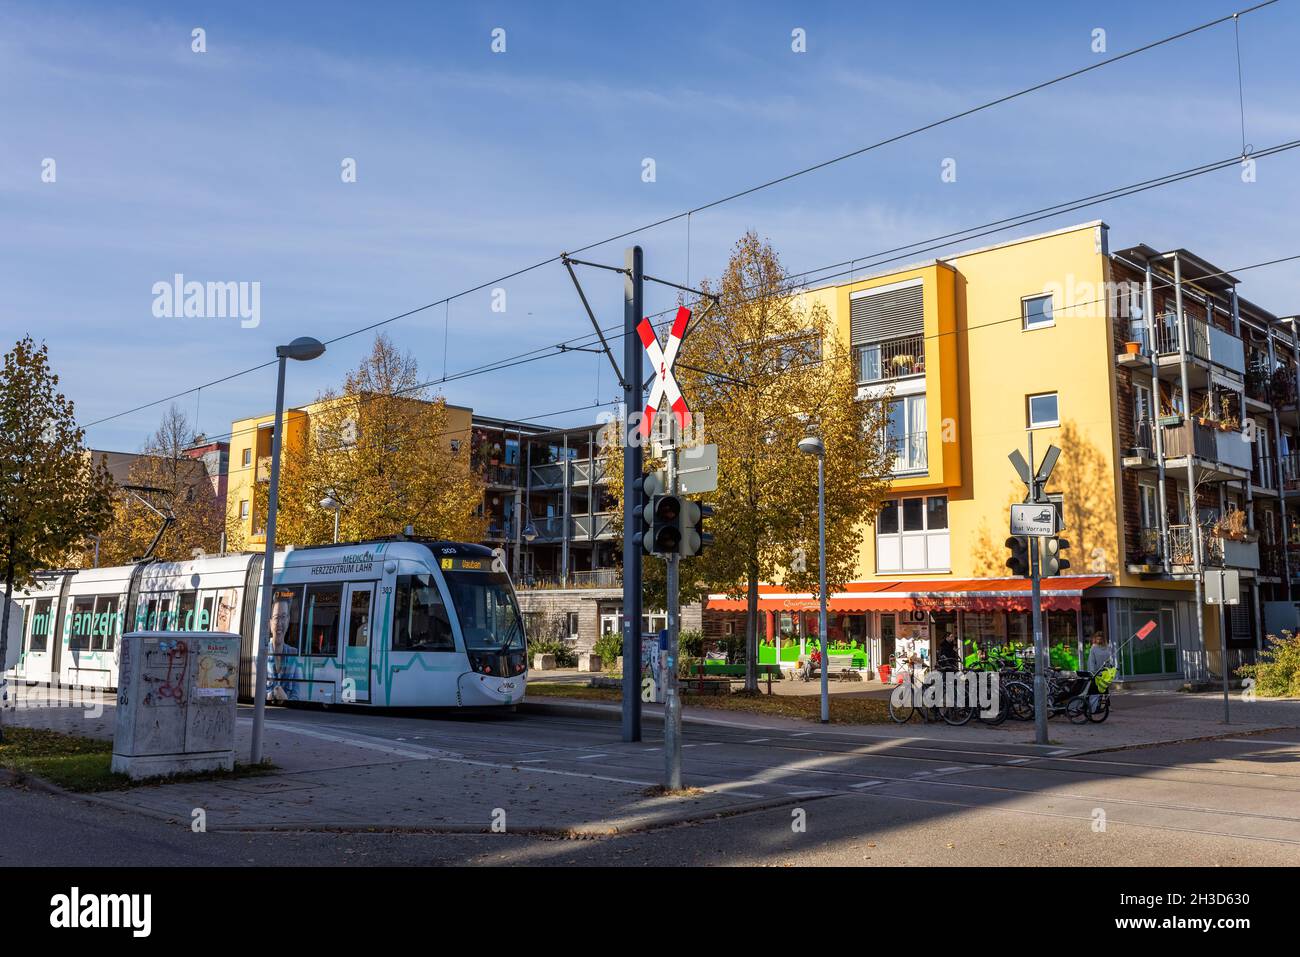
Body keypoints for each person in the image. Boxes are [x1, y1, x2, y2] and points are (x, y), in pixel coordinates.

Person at [1086, 632, 1114, 711]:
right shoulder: (1093, 648)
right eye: (1098, 638)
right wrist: (1093, 671)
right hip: (1097, 671)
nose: (1099, 640)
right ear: (1095, 639)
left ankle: (1107, 705)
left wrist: (1111, 666)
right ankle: (1097, 704)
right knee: (1098, 688)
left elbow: (1110, 658)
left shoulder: (1107, 647)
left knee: (1105, 688)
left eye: (1101, 638)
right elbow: (1091, 660)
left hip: (1106, 671)